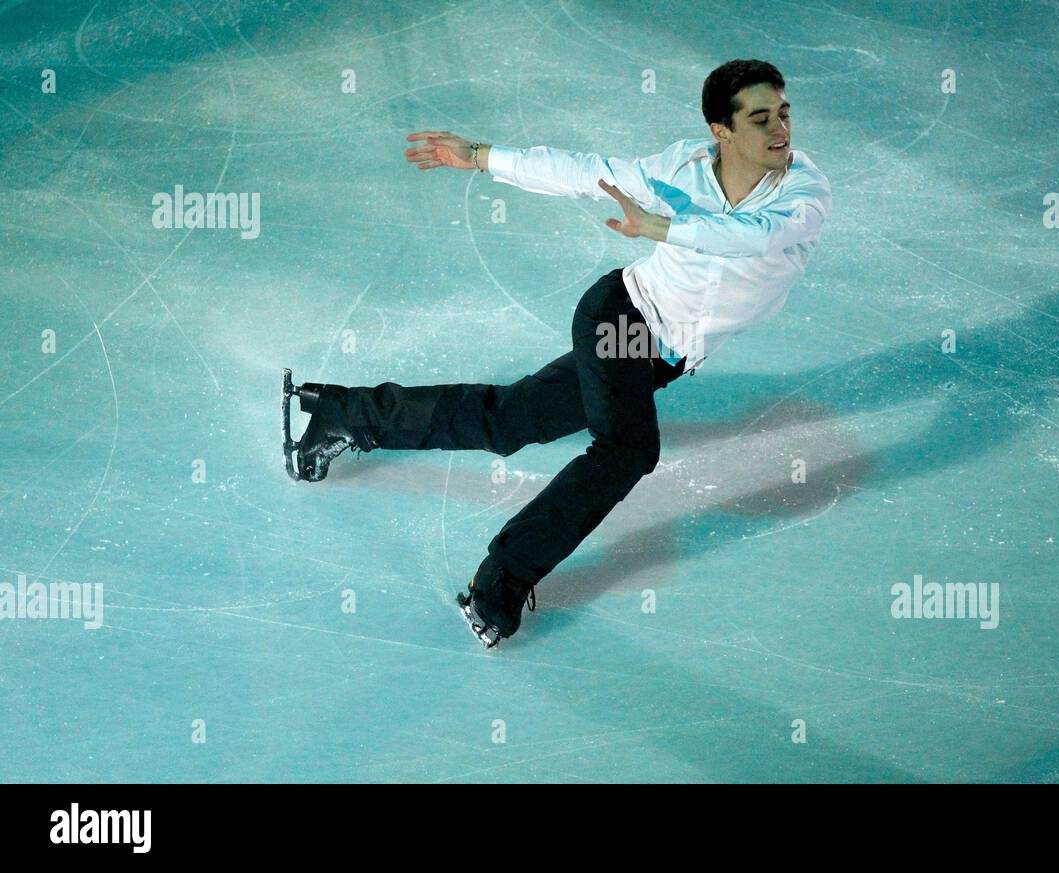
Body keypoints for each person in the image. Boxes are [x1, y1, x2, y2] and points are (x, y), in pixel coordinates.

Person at [286, 59, 832, 647]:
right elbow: (584, 172)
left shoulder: (803, 192)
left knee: (510, 419)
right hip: (620, 319)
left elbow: (755, 238)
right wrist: (479, 156)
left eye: (783, 113)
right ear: (720, 131)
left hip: (660, 355)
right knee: (626, 451)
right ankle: (502, 579)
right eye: (760, 118)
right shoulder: (681, 170)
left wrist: (659, 227)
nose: (781, 129)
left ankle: (348, 413)